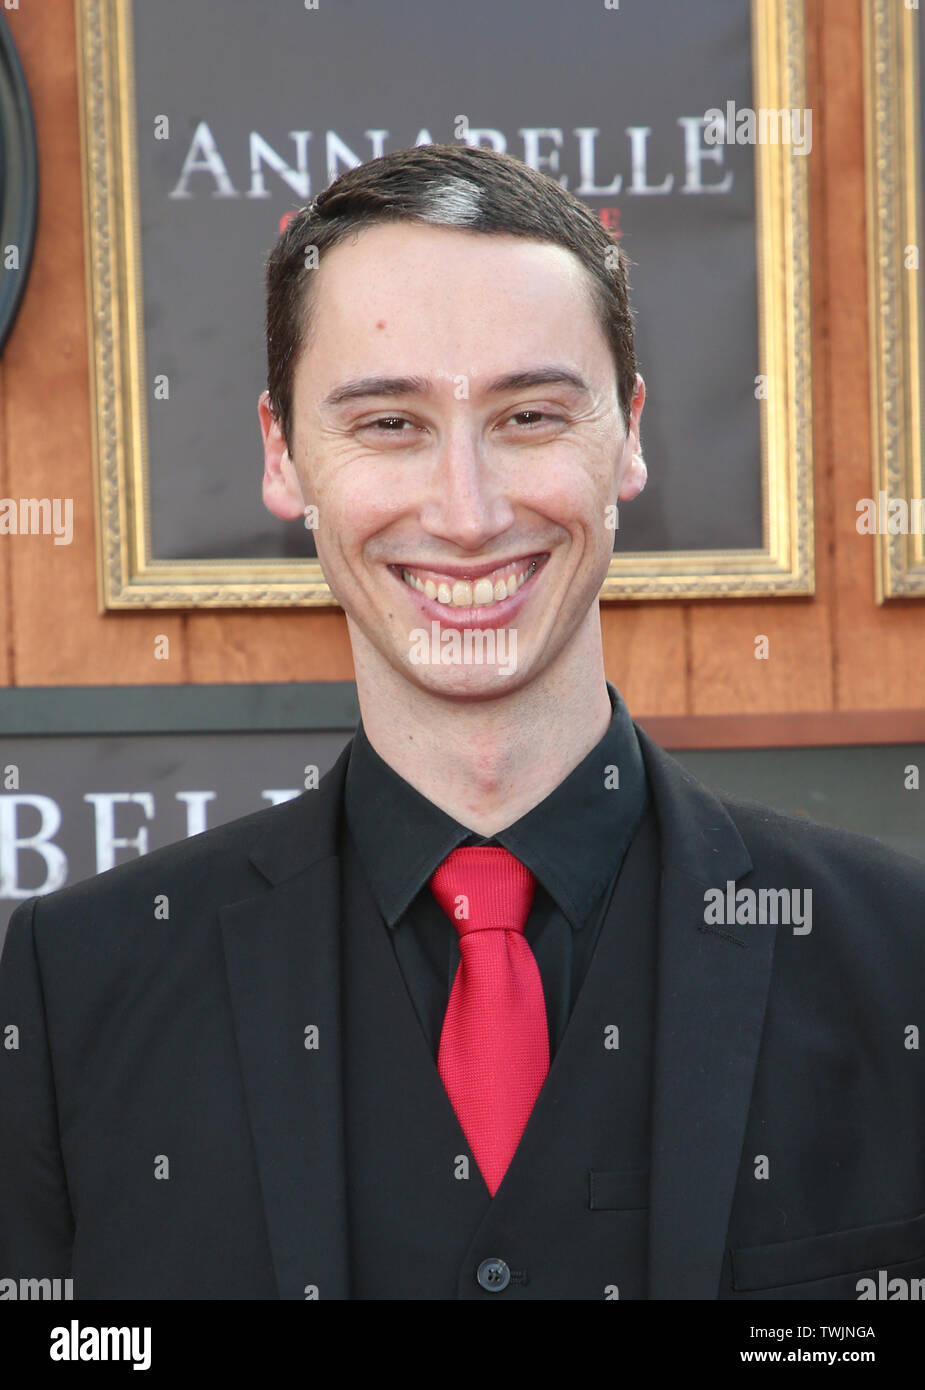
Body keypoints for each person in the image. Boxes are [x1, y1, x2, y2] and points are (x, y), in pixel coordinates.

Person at [2, 144, 924, 1301]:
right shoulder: (74, 987)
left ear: (627, 436)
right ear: (285, 456)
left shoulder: (900, 961)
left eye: (529, 413)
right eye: (388, 424)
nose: (468, 510)